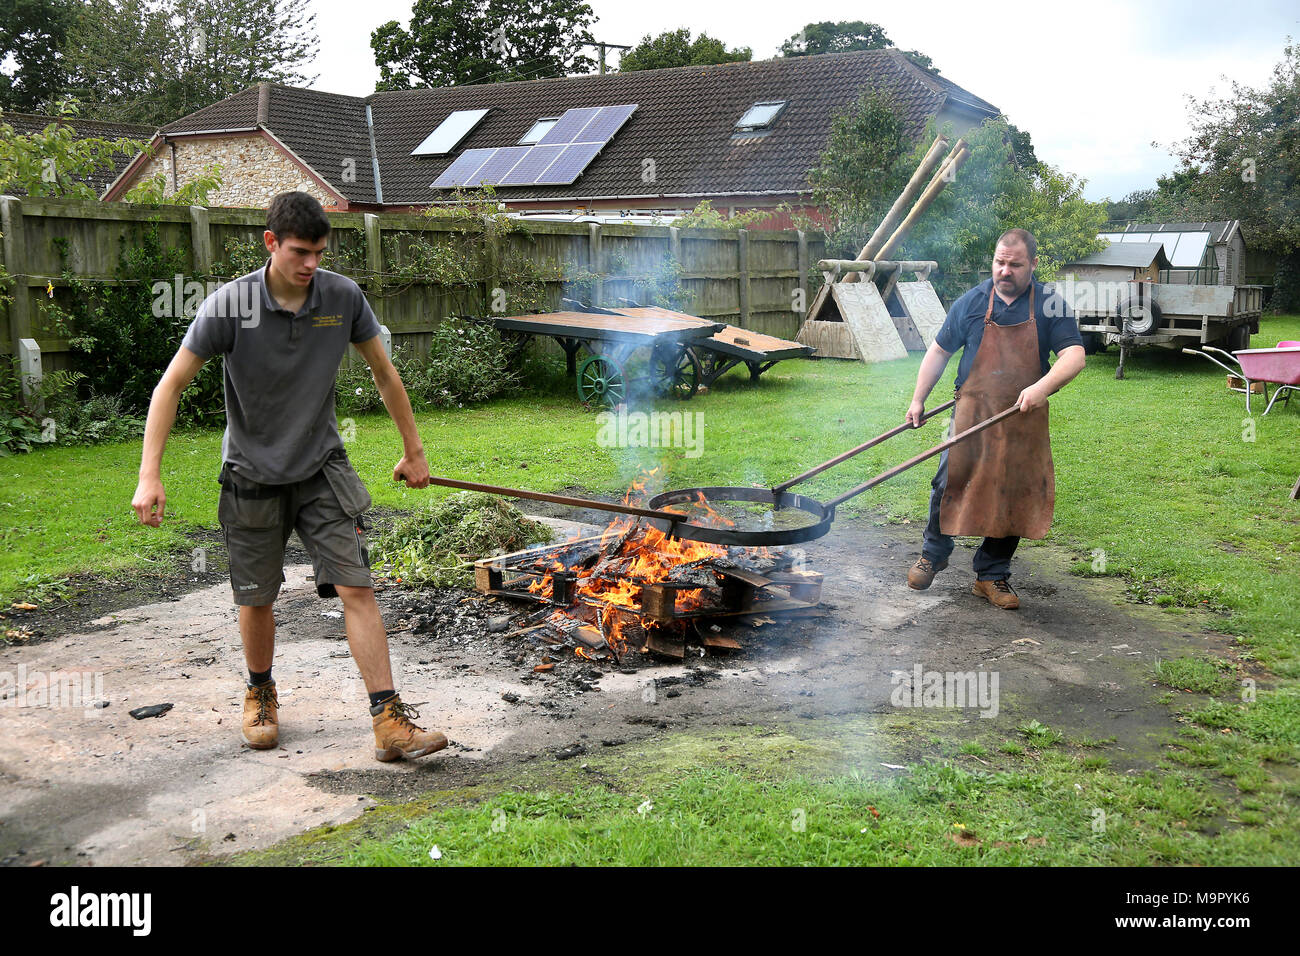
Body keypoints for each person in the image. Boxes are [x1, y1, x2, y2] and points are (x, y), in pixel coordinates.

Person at [131, 191, 448, 761]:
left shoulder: (341, 297)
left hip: (322, 466)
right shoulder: (231, 306)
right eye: (300, 252)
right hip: (251, 474)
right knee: (256, 597)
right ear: (271, 243)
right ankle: (260, 692)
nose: (311, 265)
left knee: (357, 586)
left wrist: (414, 450)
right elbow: (170, 387)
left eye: (320, 253)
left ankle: (389, 720)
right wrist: (148, 475)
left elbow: (384, 374)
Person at [904, 229, 1086, 609]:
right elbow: (939, 352)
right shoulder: (972, 302)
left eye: (1015, 264)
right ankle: (932, 555)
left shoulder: (1050, 304)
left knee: (1015, 492)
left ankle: (991, 575)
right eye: (999, 262)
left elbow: (1074, 356)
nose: (1005, 271)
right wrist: (918, 399)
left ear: (1033, 265)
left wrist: (1042, 388)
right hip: (970, 410)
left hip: (1022, 414)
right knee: (948, 481)